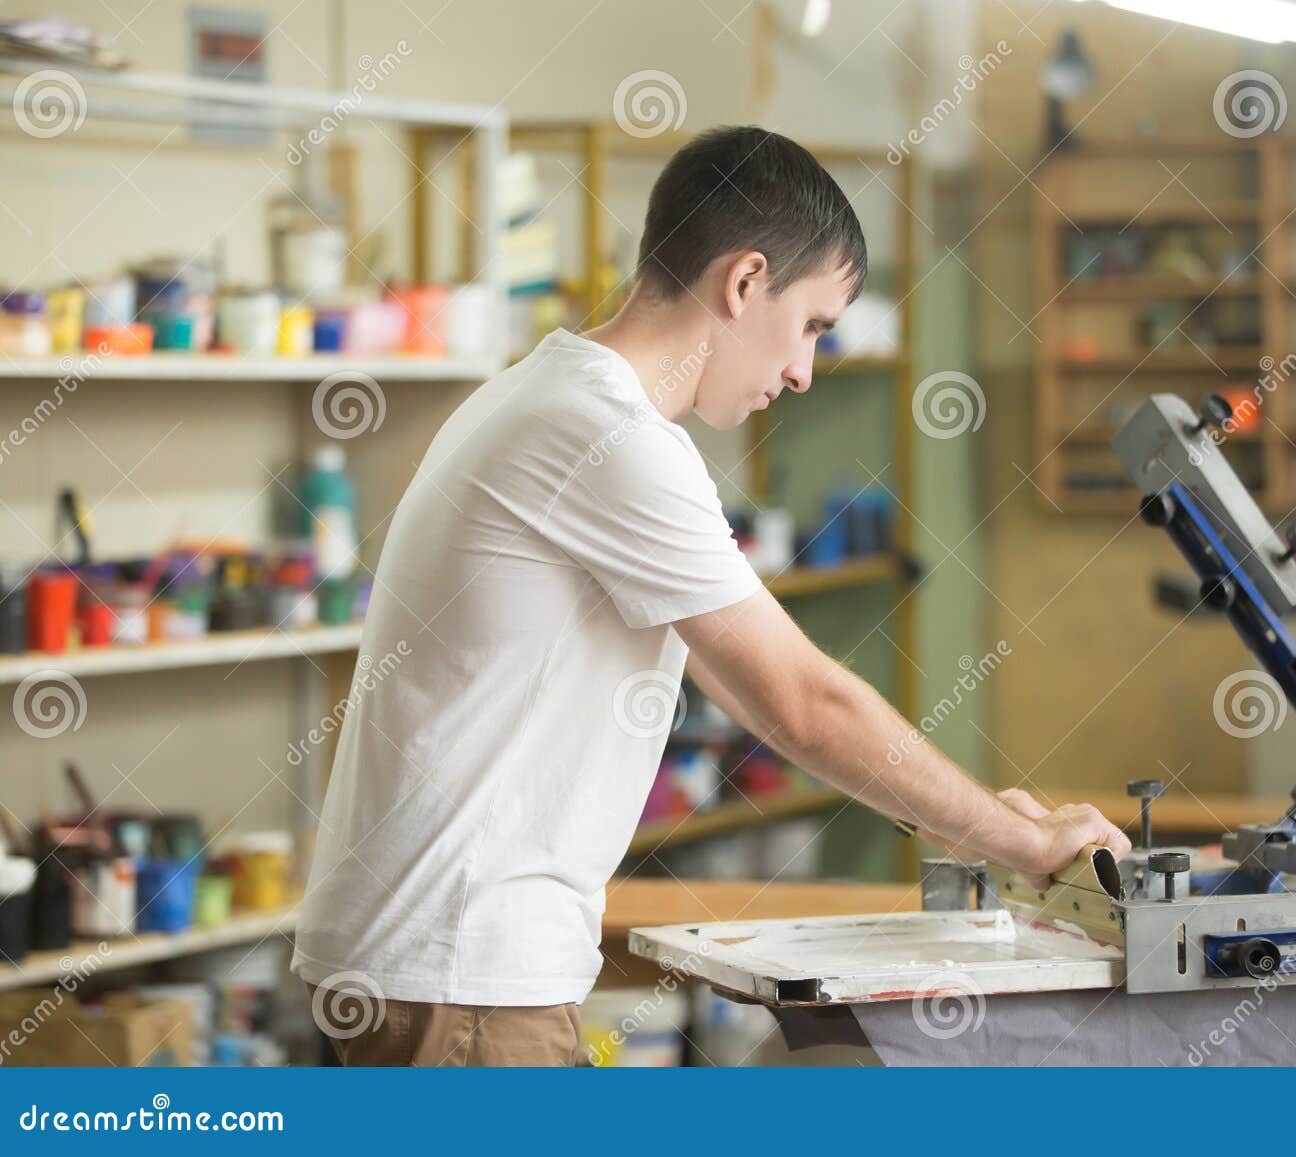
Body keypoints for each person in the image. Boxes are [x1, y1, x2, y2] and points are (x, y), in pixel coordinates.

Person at [292, 125, 1130, 1066]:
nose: (806, 370)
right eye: (811, 324)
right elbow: (804, 705)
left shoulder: (542, 395)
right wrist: (1028, 841)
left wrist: (983, 820)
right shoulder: (609, 436)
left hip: (439, 963)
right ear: (743, 282)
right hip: (464, 975)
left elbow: (777, 699)